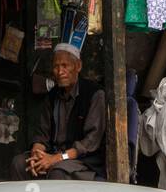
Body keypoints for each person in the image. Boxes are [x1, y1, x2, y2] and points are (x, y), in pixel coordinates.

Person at [10, 44, 106, 181]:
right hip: (55, 155)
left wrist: (57, 158)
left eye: (65, 66)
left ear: (78, 66)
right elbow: (42, 136)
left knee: (58, 171)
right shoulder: (52, 96)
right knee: (19, 163)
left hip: (82, 161)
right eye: (56, 66)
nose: (60, 71)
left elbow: (89, 143)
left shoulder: (94, 95)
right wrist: (37, 153)